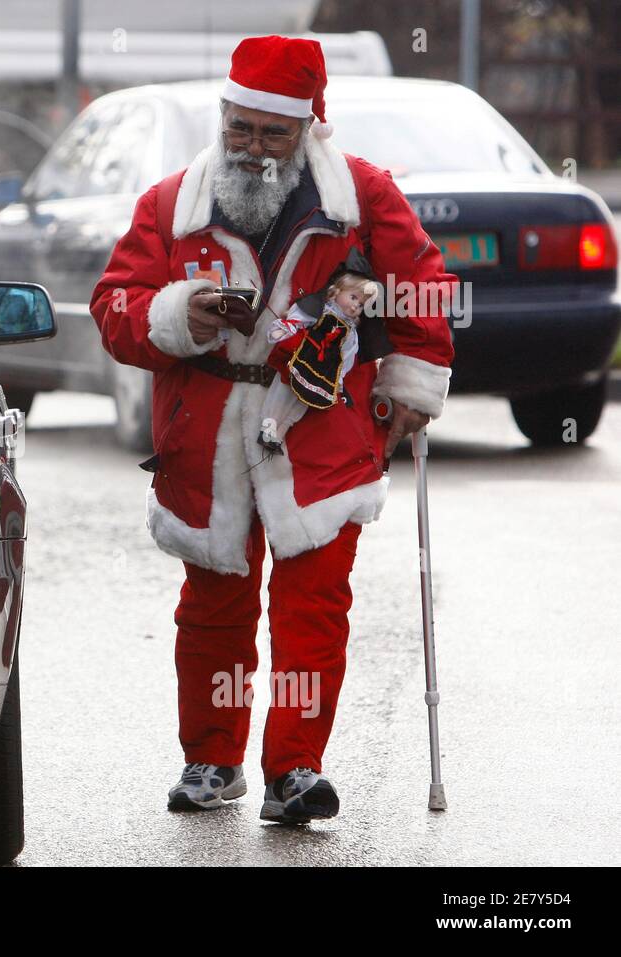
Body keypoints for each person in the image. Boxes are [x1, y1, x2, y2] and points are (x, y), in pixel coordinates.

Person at [89, 35, 456, 823]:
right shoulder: (166, 206)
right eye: (241, 127)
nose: (253, 147)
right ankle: (211, 759)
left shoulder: (362, 198)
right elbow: (114, 312)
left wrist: (407, 395)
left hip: (320, 428)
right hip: (207, 434)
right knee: (212, 606)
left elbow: (422, 288)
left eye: (272, 131)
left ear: (309, 127)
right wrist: (176, 314)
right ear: (223, 118)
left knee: (313, 606)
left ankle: (295, 768)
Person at [258, 251, 382, 454]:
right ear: (337, 291)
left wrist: (339, 380)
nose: (354, 306)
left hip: (324, 370)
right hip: (303, 357)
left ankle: (280, 432)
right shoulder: (320, 309)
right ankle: (268, 423)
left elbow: (348, 355)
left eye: (360, 304)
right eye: (352, 297)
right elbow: (300, 319)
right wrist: (285, 328)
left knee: (304, 402)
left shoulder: (350, 332)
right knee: (283, 390)